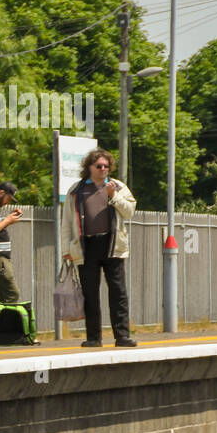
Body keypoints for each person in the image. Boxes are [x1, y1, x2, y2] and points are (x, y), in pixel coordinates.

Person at [62, 148, 137, 348]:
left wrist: (113, 196)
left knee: (118, 292)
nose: (103, 169)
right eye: (99, 166)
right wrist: (66, 249)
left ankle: (122, 336)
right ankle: (94, 338)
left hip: (113, 245)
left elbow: (129, 211)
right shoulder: (76, 190)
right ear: (89, 167)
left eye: (106, 166)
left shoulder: (118, 187)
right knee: (90, 294)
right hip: (86, 245)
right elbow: (67, 221)